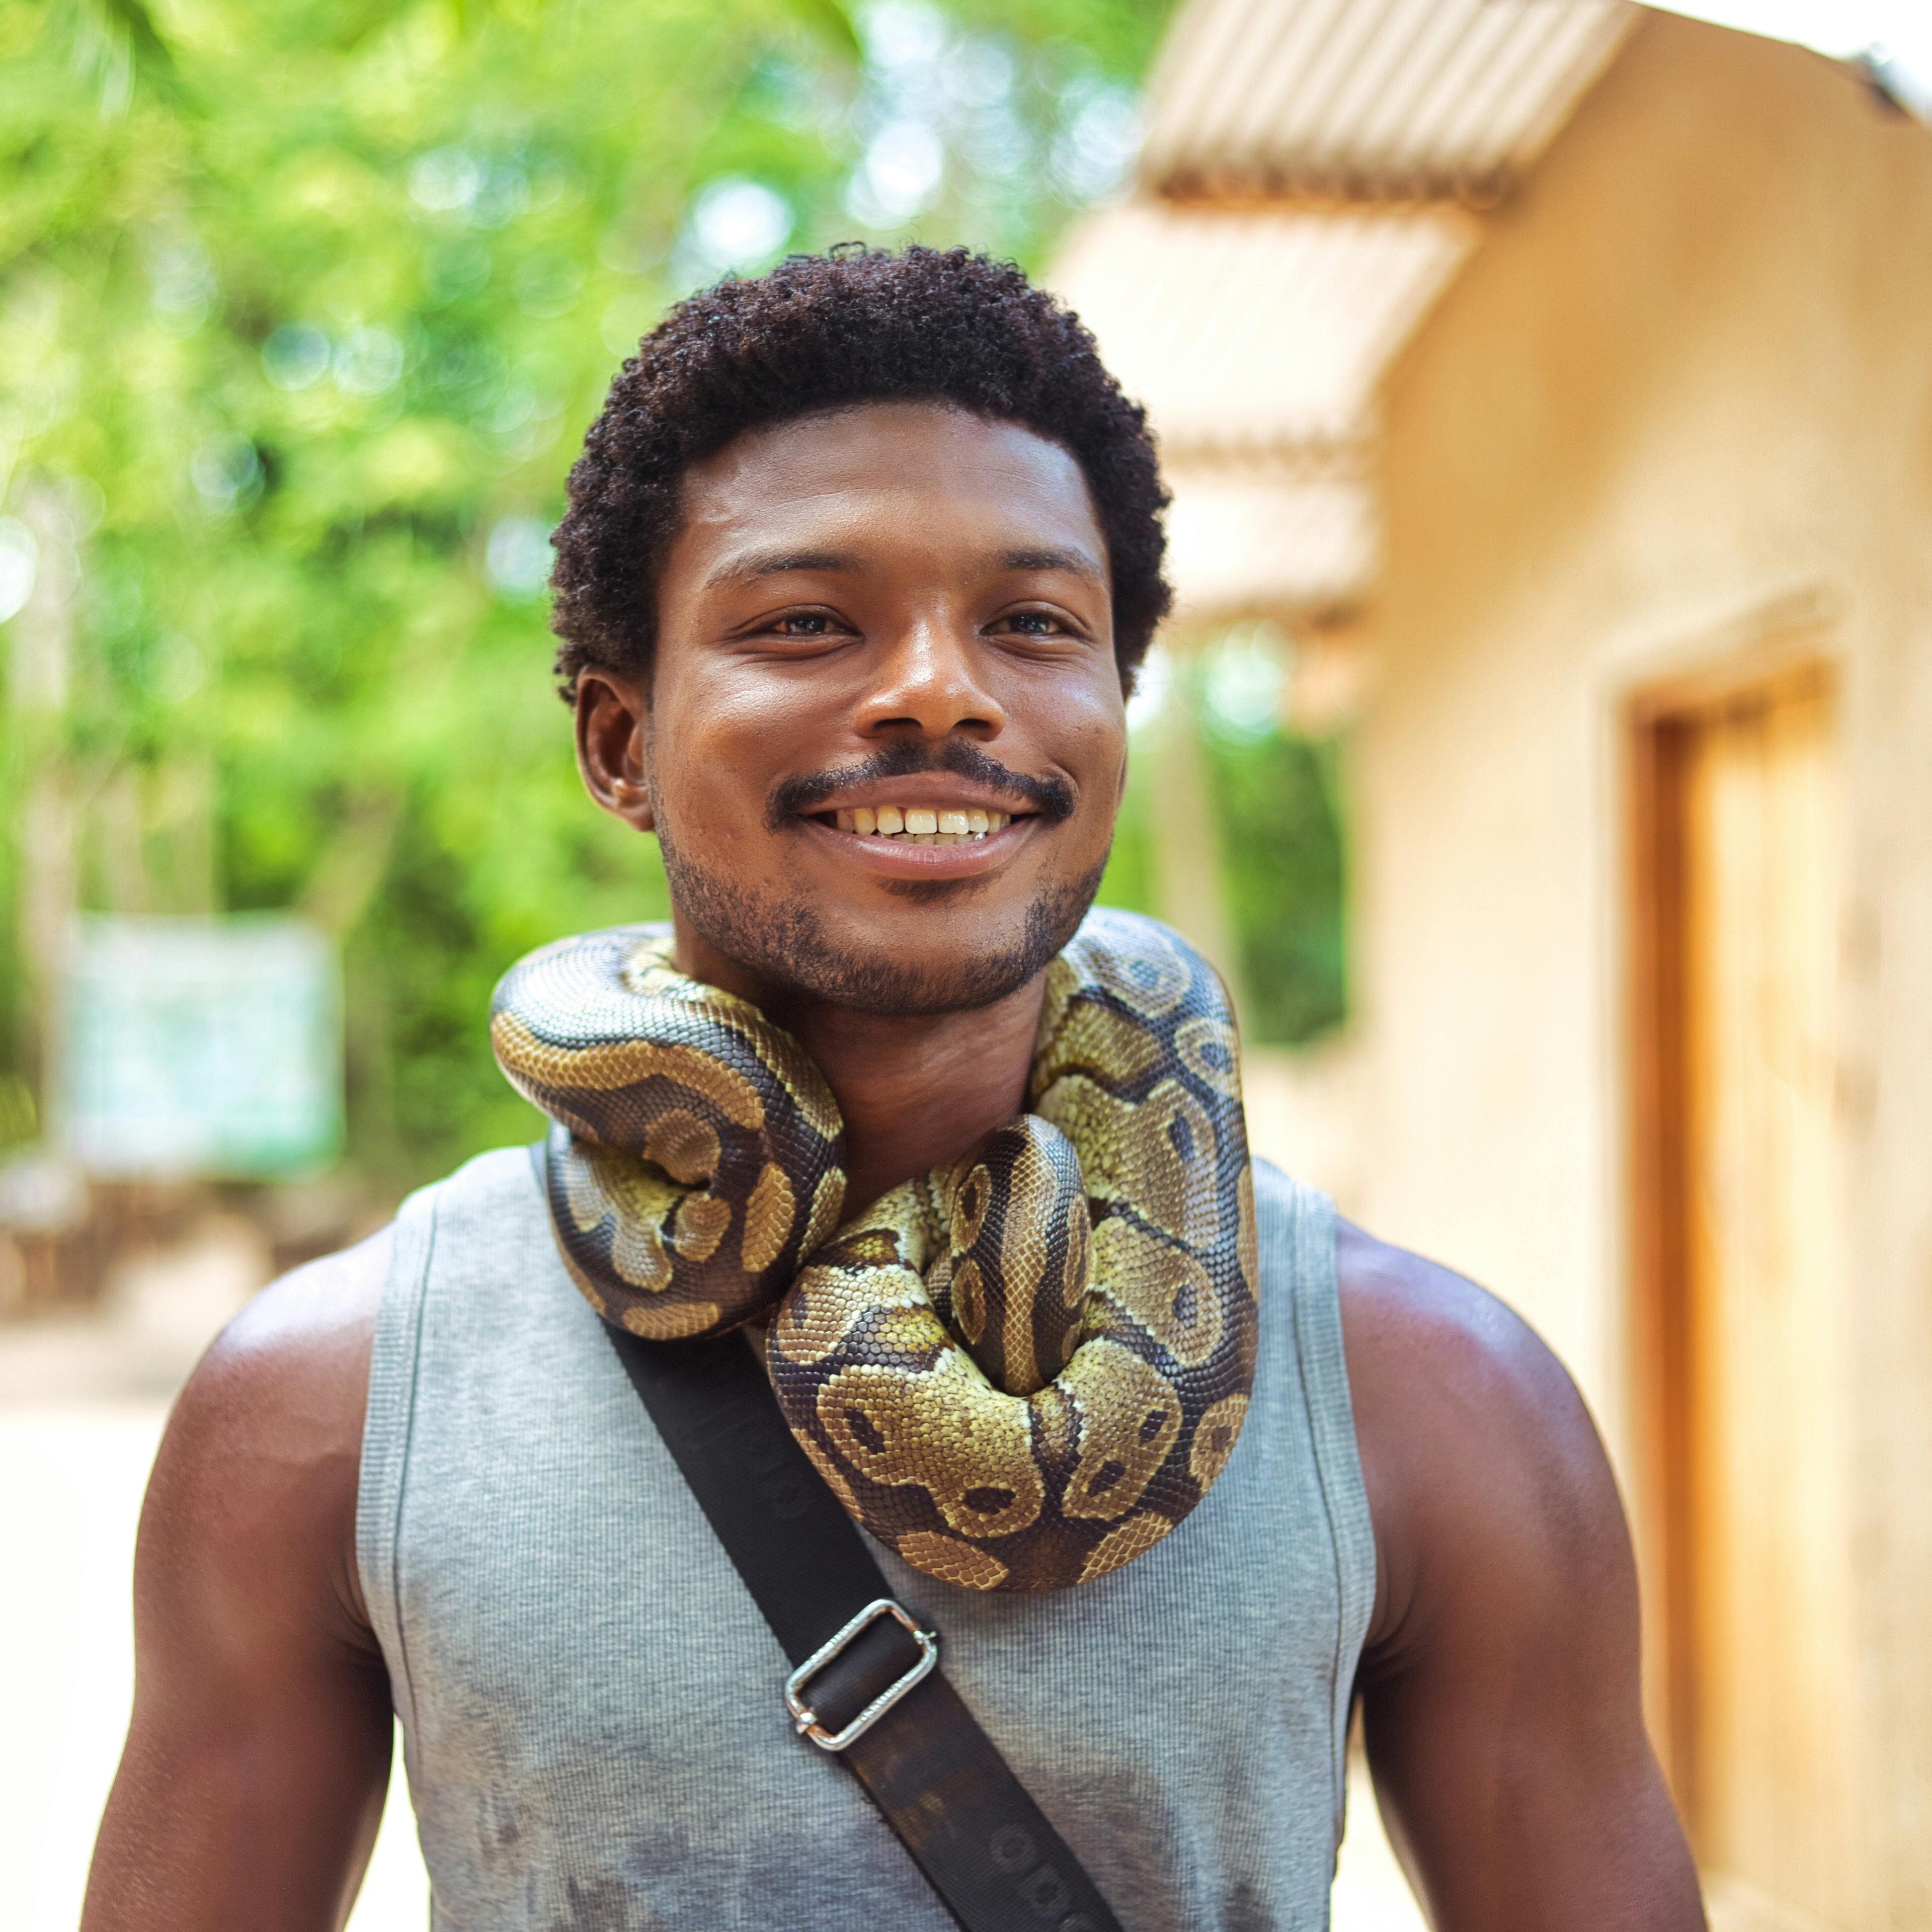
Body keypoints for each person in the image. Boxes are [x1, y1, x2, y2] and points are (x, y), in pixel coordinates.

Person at [83, 247, 1705, 1931]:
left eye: (1034, 623)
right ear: (620, 743)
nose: (942, 685)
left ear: (1111, 716)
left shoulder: (1437, 1401)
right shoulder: (326, 1405)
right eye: (805, 623)